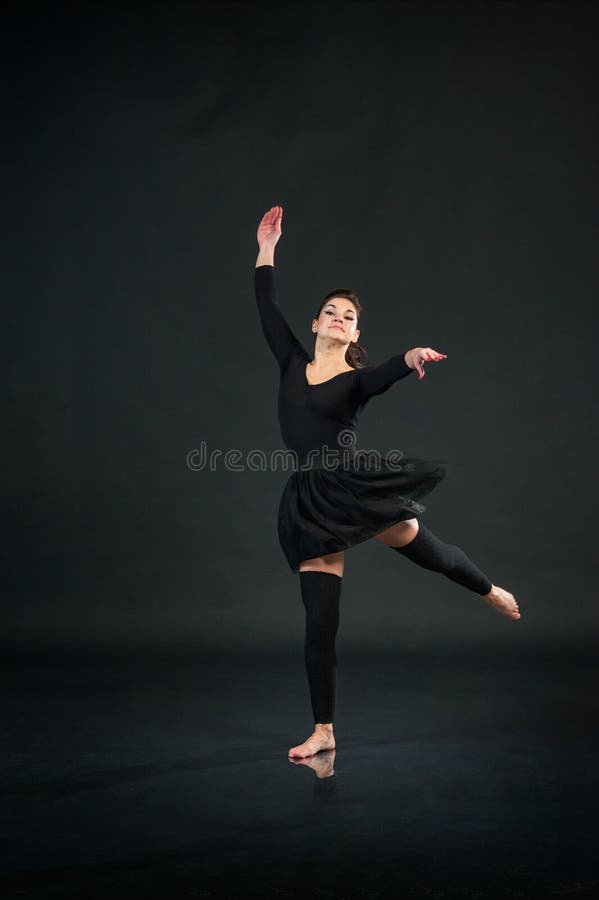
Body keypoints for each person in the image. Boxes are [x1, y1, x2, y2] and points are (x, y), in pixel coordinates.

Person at [254, 206, 521, 760]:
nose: (336, 317)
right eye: (328, 311)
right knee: (320, 620)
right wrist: (267, 247)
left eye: (347, 316)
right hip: (310, 501)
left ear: (355, 332)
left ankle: (489, 590)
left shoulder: (353, 380)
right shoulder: (290, 362)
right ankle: (323, 729)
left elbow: (382, 375)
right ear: (314, 324)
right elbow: (265, 305)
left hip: (353, 486)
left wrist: (412, 355)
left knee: (430, 553)